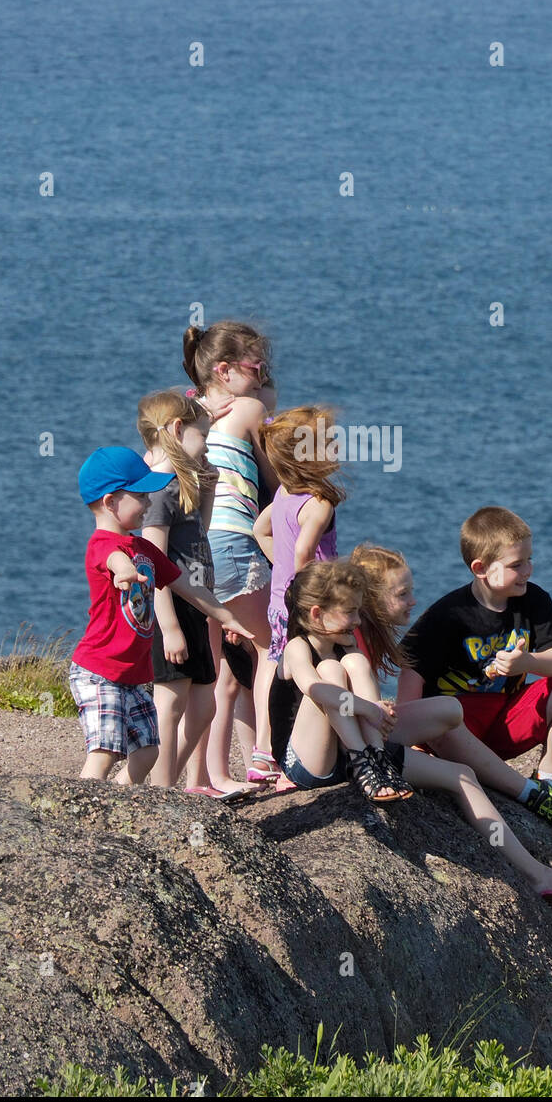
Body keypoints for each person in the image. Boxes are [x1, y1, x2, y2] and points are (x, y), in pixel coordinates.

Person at [273, 560, 552, 898]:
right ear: (315, 614)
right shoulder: (298, 648)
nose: (356, 621)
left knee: (460, 768)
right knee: (331, 673)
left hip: (354, 752)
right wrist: (368, 708)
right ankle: (367, 759)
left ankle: (536, 874)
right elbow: (314, 689)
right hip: (309, 762)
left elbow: (363, 687)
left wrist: (378, 716)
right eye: (350, 613)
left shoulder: (348, 645)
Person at [396, 507, 552, 833]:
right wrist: (411, 740)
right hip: (456, 732)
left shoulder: (533, 600)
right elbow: (411, 667)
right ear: (481, 568)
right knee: (444, 715)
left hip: (504, 721)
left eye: (530, 560)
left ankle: (549, 781)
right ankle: (528, 795)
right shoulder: (450, 615)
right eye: (517, 565)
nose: (528, 570)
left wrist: (528, 662)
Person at [69, 445, 252, 785]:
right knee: (105, 751)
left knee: (148, 752)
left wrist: (224, 615)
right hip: (99, 671)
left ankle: (122, 804)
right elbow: (114, 560)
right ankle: (81, 813)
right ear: (111, 502)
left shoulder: (144, 548)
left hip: (132, 675)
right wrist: (124, 572)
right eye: (140, 495)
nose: (149, 502)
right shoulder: (104, 545)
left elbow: (186, 585)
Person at [136, 389, 254, 798]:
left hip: (196, 602)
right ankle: (161, 789)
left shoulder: (181, 485)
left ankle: (160, 784)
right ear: (177, 430)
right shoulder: (156, 492)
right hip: (169, 608)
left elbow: (200, 532)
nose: (206, 446)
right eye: (203, 436)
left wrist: (208, 486)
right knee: (170, 705)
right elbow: (150, 563)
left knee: (202, 705)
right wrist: (168, 626)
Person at [183, 321, 279, 783]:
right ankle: (265, 753)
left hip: (194, 547)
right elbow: (276, 477)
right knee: (271, 647)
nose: (262, 377)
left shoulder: (187, 412)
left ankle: (206, 776)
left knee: (217, 670)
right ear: (224, 370)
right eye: (257, 367)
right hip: (234, 542)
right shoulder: (247, 408)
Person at [254, 405, 343, 662]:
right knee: (325, 665)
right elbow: (304, 551)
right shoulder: (319, 504)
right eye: (329, 443)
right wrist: (308, 598)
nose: (336, 448)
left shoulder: (284, 493)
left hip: (280, 603)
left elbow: (260, 530)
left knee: (283, 665)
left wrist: (283, 564)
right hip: (312, 608)